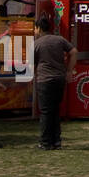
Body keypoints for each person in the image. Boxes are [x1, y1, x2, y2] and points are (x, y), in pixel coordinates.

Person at [32, 15, 75, 150]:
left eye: (35, 28)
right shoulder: (59, 40)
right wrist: (69, 71)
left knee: (45, 111)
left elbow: (31, 64)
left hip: (45, 80)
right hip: (59, 79)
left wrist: (35, 76)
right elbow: (74, 51)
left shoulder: (37, 44)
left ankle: (45, 142)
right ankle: (56, 141)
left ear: (38, 28)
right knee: (55, 110)